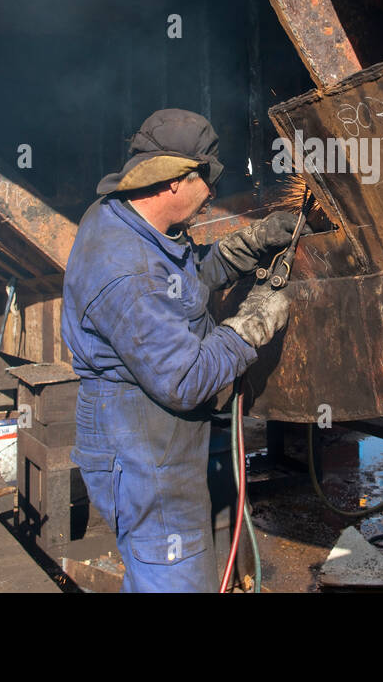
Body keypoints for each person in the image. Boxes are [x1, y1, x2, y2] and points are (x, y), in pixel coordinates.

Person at [62, 109, 296, 592]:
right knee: (174, 579)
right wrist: (248, 327)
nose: (212, 191)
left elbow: (181, 282)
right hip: (140, 442)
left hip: (152, 432)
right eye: (206, 178)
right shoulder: (126, 270)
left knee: (164, 575)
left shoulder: (128, 220)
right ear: (173, 181)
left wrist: (247, 246)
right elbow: (184, 379)